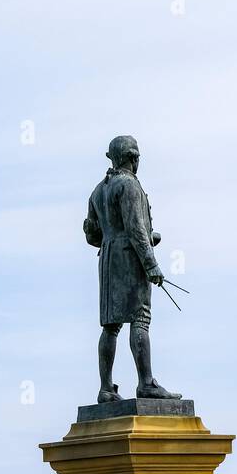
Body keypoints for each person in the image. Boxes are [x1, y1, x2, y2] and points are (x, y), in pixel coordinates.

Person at [83, 135, 181, 405]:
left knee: (110, 325)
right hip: (129, 258)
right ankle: (146, 383)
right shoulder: (129, 185)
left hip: (107, 258)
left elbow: (93, 236)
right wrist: (151, 264)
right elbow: (136, 229)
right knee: (140, 318)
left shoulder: (97, 191)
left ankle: (105, 388)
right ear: (132, 157)